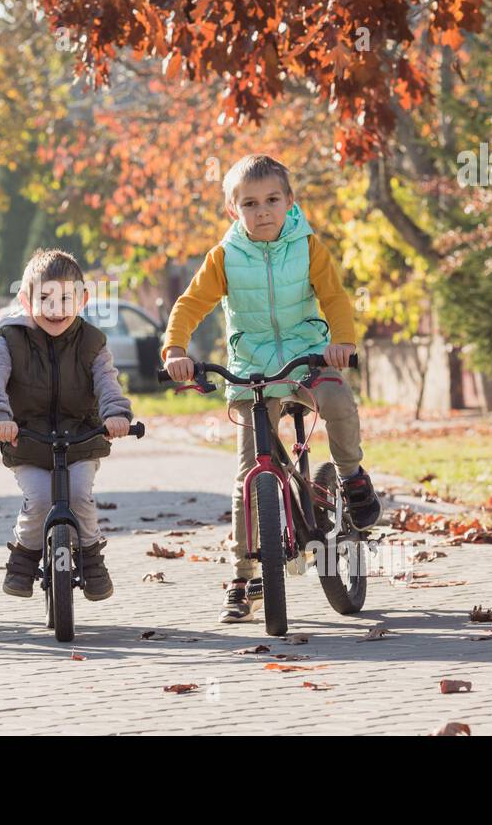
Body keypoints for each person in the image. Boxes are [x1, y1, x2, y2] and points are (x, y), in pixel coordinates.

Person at [161, 154, 381, 624]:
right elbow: (191, 302)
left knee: (338, 399)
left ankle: (351, 477)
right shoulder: (224, 257)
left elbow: (334, 296)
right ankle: (244, 577)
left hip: (307, 356)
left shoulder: (308, 247)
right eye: (250, 203)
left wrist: (341, 342)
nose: (262, 211)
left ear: (289, 202)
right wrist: (176, 350)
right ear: (232, 209)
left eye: (272, 200)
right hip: (254, 367)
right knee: (249, 474)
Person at [0, 248, 134, 601]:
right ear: (25, 299)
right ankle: (24, 558)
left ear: (84, 299)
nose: (56, 307)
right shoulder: (10, 339)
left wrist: (116, 414)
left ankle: (91, 557)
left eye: (67, 297)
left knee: (79, 494)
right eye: (45, 297)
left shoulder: (93, 342)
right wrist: (0, 417)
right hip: (27, 439)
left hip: (79, 438)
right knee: (40, 497)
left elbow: (108, 383)